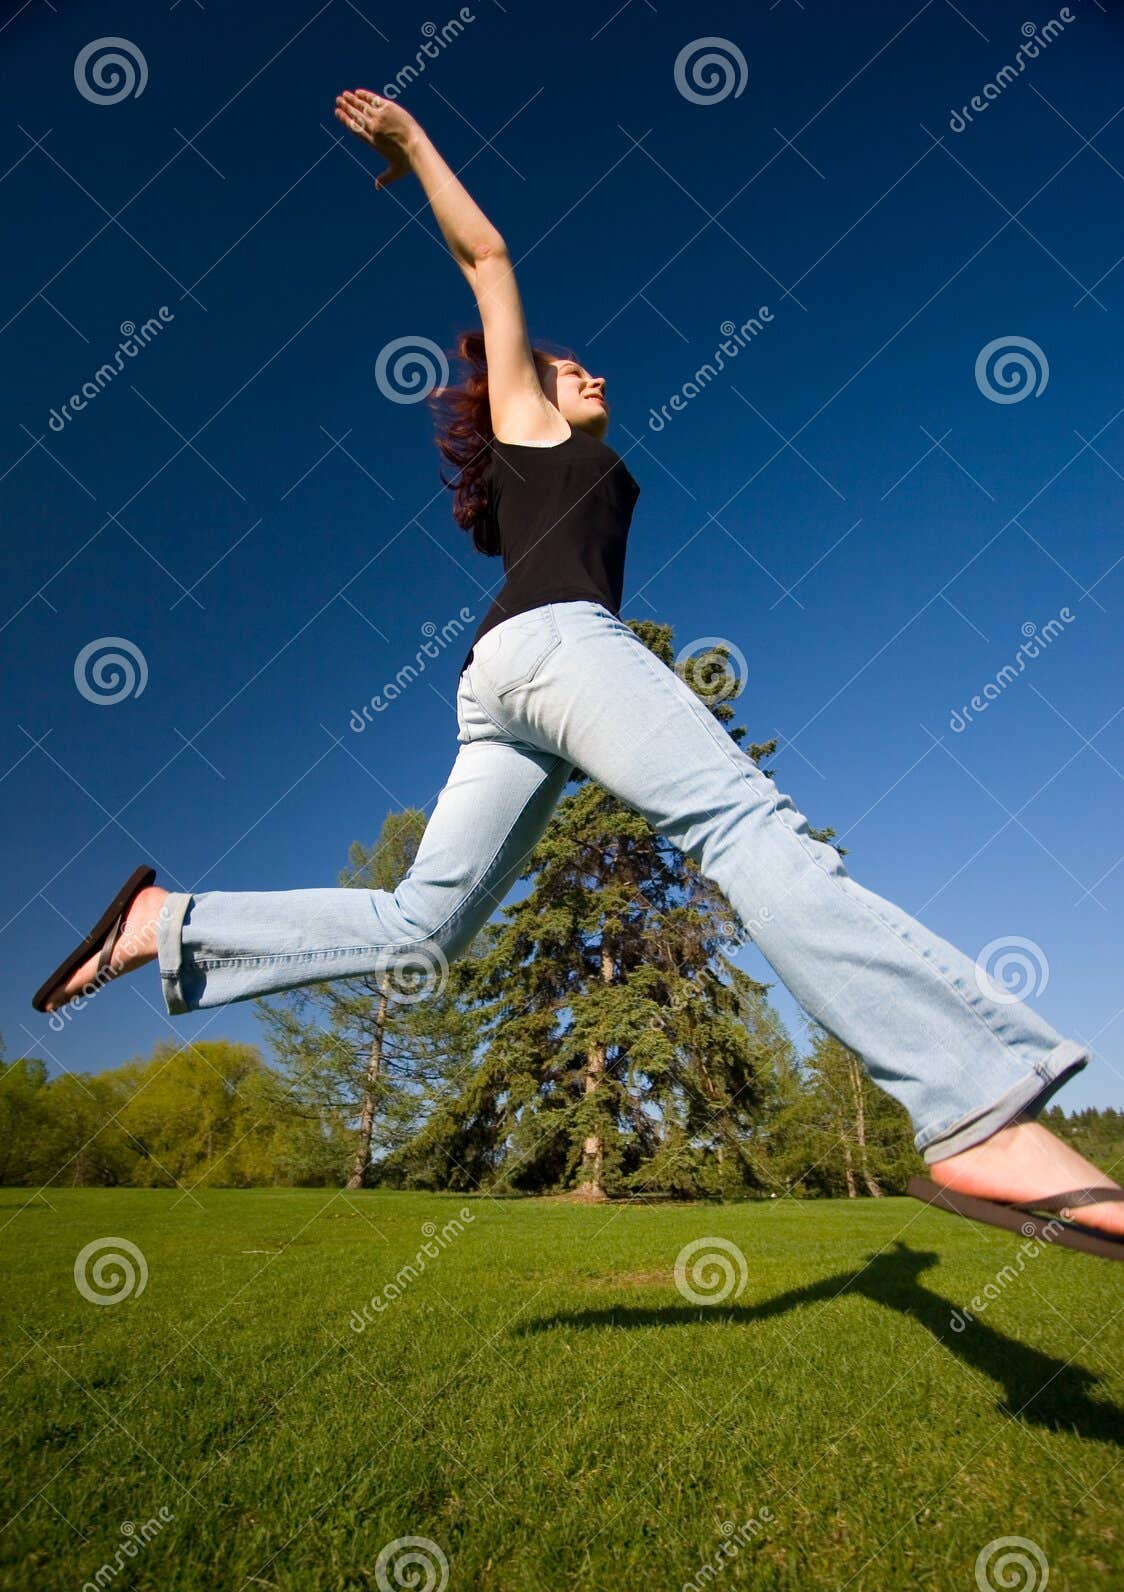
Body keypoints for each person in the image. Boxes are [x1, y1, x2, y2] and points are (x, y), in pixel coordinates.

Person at [34, 88, 1124, 1245]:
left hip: (503, 678)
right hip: (553, 644)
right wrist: (414, 145)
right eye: (568, 370)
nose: (588, 372)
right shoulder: (531, 429)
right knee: (747, 831)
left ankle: (167, 923)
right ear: (525, 397)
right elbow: (489, 258)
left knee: (422, 930)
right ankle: (976, 1111)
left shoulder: (559, 472)